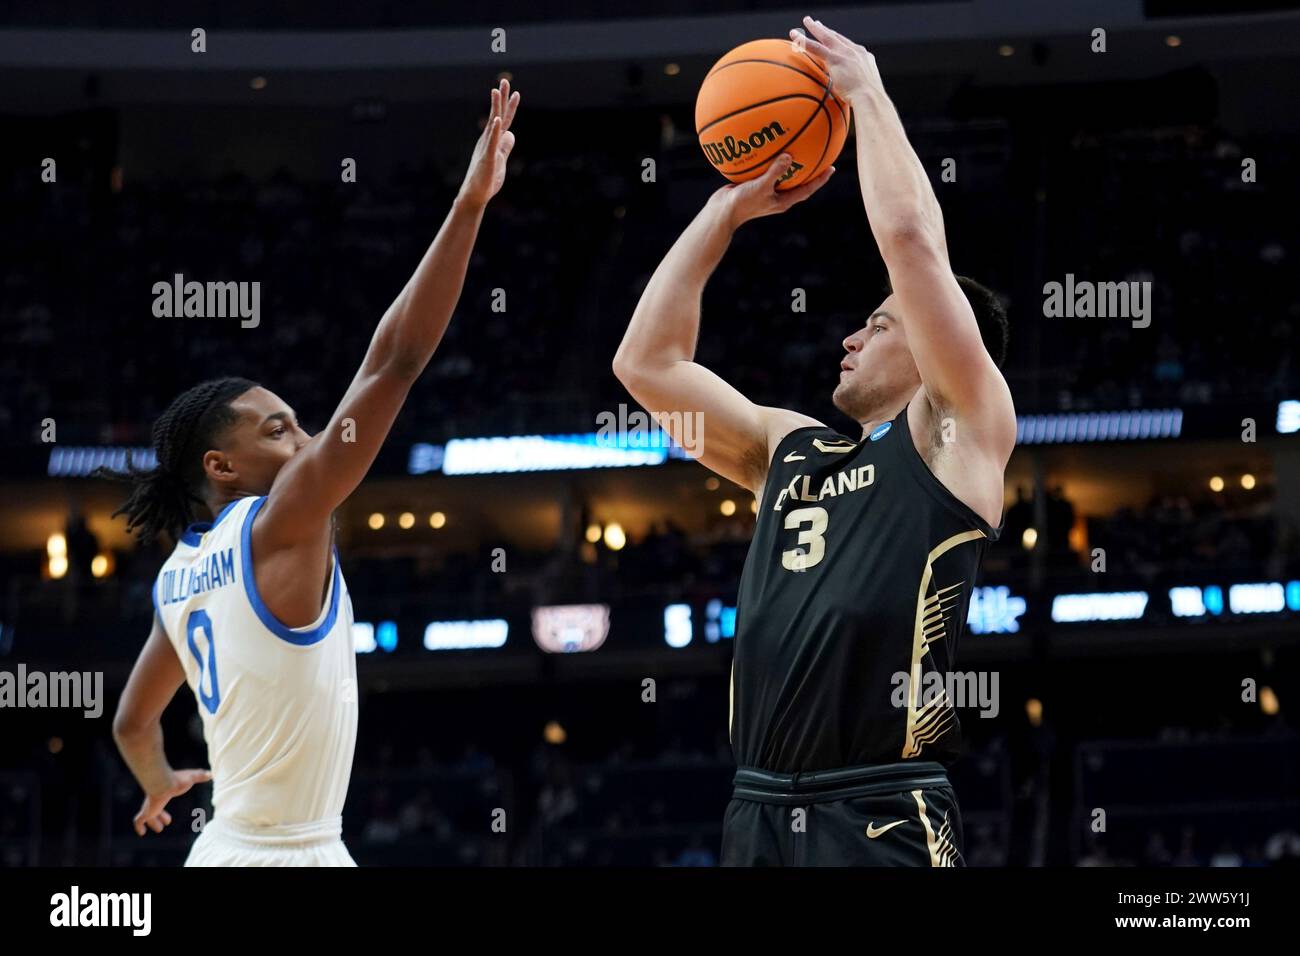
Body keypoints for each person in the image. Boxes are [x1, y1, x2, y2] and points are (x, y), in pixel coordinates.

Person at [613, 18, 1015, 865]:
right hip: (755, 806)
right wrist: (724, 211)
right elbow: (645, 363)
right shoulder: (788, 451)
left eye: (877, 324)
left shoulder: (957, 433)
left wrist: (864, 89)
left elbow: (911, 241)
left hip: (877, 807)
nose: (851, 339)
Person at [104, 80, 520, 866]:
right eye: (279, 428)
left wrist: (158, 783)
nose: (305, 439)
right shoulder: (281, 516)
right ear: (221, 466)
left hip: (221, 848)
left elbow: (131, 721)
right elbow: (395, 360)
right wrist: (469, 205)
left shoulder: (176, 576)